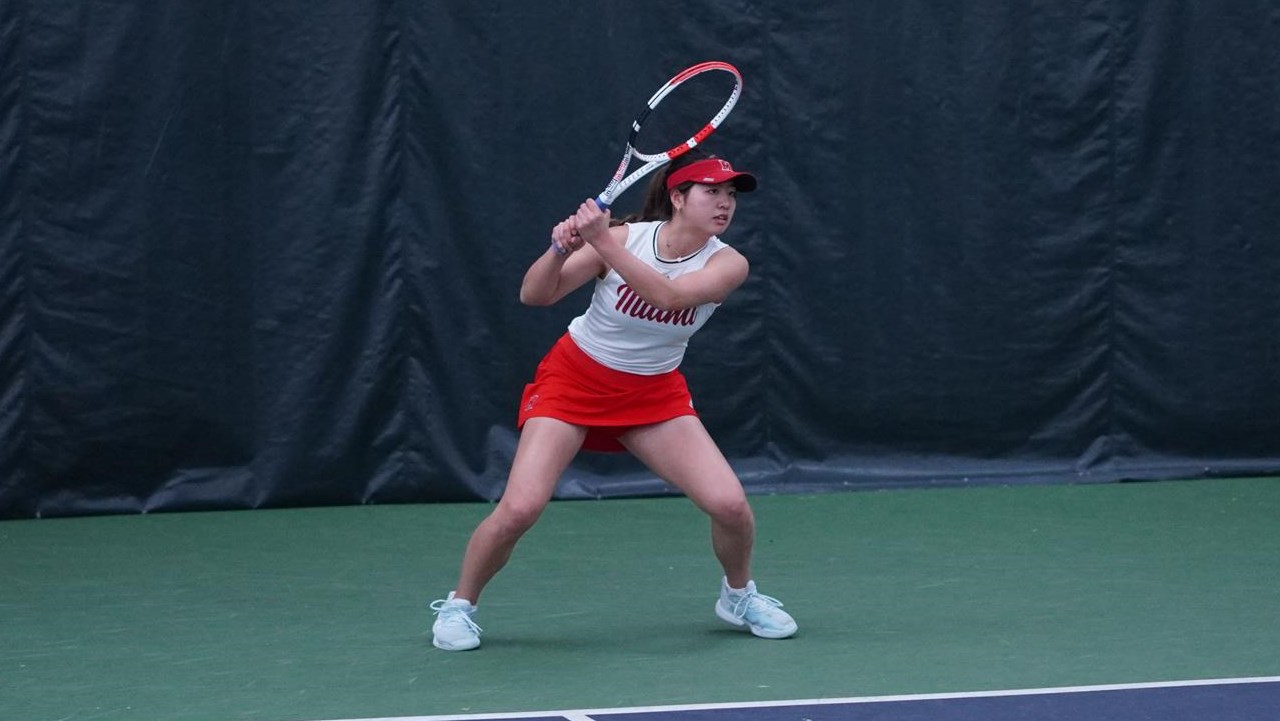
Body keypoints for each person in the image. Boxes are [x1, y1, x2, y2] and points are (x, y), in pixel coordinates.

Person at [429, 152, 797, 651]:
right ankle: (459, 605)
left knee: (730, 505)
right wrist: (559, 249)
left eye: (731, 195)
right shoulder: (626, 240)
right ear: (677, 197)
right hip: (573, 380)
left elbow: (669, 298)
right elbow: (535, 296)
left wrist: (601, 239)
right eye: (712, 191)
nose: (725, 203)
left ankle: (737, 595)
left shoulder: (728, 263)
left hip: (653, 391)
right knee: (519, 508)